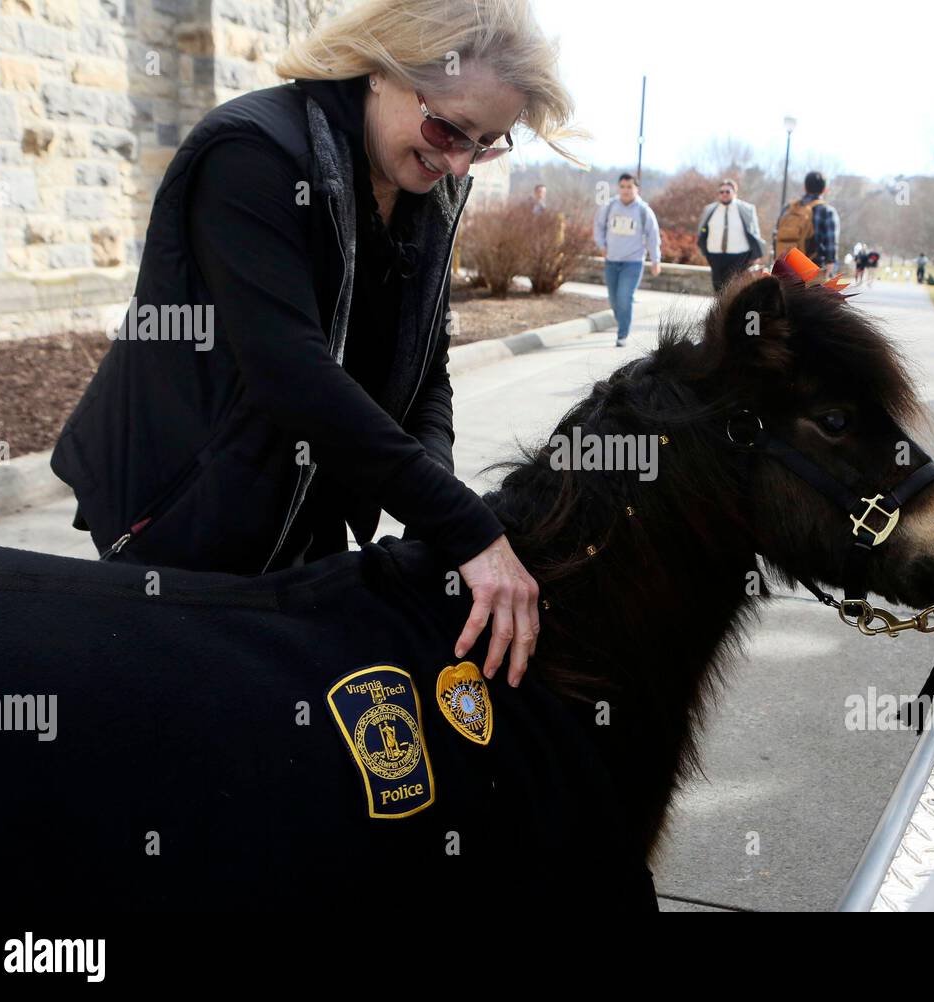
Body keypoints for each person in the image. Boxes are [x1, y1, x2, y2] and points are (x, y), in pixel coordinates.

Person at [49, 0, 580, 689]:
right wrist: (466, 527)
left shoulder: (426, 187)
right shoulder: (250, 154)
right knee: (186, 738)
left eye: (485, 144)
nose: (457, 163)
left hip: (303, 513)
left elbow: (426, 374)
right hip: (183, 514)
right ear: (382, 70)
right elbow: (292, 375)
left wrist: (434, 518)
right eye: (448, 127)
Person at [594, 173, 661, 347]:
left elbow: (653, 236)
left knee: (624, 296)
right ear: (618, 188)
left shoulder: (643, 210)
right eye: (622, 187)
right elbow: (599, 227)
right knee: (614, 299)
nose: (625, 190)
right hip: (611, 260)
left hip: (633, 262)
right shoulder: (609, 207)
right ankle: (622, 319)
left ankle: (622, 333)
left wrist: (655, 260)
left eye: (629, 187)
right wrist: (602, 245)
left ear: (636, 189)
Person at [696, 178, 765, 292]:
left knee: (734, 289)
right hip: (715, 255)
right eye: (721, 192)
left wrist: (756, 254)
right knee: (718, 288)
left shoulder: (746, 209)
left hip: (739, 256)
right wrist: (704, 250)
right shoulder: (709, 210)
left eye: (727, 191)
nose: (724, 194)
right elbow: (702, 230)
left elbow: (754, 231)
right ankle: (720, 309)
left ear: (734, 193)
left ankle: (732, 309)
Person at [774, 170, 840, 277]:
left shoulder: (788, 208)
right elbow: (831, 243)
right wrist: (830, 264)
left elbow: (776, 234)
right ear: (825, 190)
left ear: (804, 187)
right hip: (812, 268)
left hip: (785, 267)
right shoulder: (827, 211)